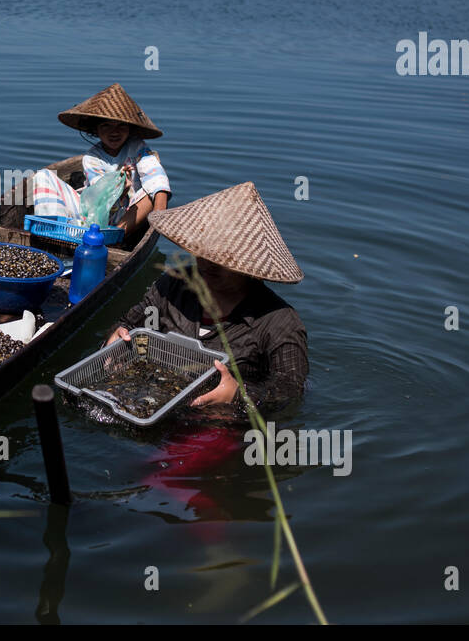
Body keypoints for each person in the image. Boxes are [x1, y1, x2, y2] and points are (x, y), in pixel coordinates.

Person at [106, 181, 307, 417]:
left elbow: (290, 391)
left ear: (249, 267)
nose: (206, 263)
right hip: (155, 398)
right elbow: (129, 323)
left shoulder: (279, 321)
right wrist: (118, 335)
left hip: (222, 421)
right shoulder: (172, 285)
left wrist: (238, 395)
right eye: (203, 251)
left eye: (222, 258)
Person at [31, 83, 171, 239]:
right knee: (43, 176)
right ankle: (55, 232)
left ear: (130, 128)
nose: (114, 132)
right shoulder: (92, 158)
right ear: (95, 130)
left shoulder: (137, 147)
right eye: (106, 126)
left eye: (121, 126)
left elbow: (154, 172)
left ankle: (115, 236)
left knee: (150, 192)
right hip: (92, 215)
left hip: (126, 216)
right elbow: (100, 198)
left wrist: (160, 213)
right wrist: (118, 190)